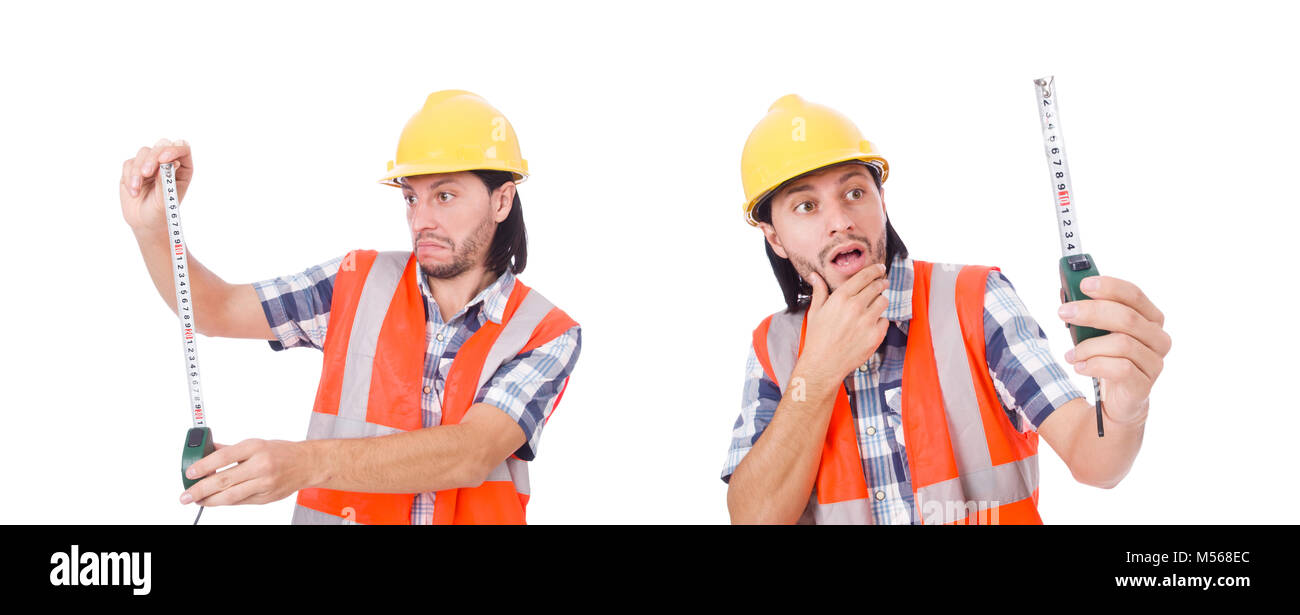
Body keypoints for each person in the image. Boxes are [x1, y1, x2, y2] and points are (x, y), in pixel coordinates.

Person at [120, 90, 582, 524]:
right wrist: (154, 230)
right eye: (410, 198)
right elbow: (215, 308)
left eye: (445, 195)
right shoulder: (354, 283)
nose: (421, 220)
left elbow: (471, 454)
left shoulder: (543, 330)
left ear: (502, 200)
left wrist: (301, 464)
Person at [721, 94, 1172, 524]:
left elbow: (1096, 462)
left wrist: (1126, 406)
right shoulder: (773, 348)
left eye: (855, 193)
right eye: (806, 206)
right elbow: (752, 516)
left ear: (882, 199)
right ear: (774, 237)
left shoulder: (974, 301)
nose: (840, 220)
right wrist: (816, 373)